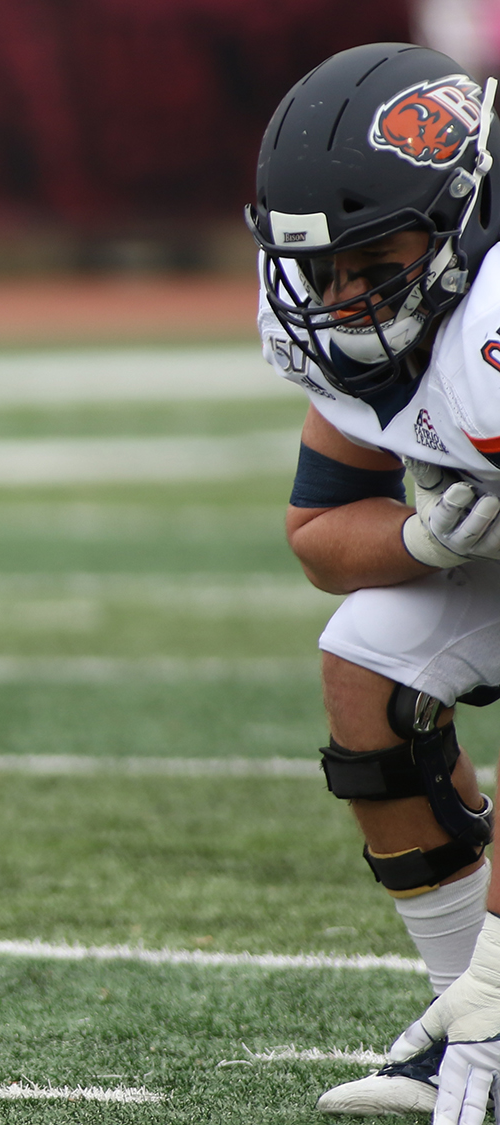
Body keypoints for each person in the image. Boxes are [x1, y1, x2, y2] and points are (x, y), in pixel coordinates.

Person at [248, 42, 500, 1120]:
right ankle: (452, 1023)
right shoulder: (379, 326)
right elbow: (317, 532)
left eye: (373, 263)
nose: (344, 300)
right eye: (325, 273)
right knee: (366, 656)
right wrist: (426, 541)